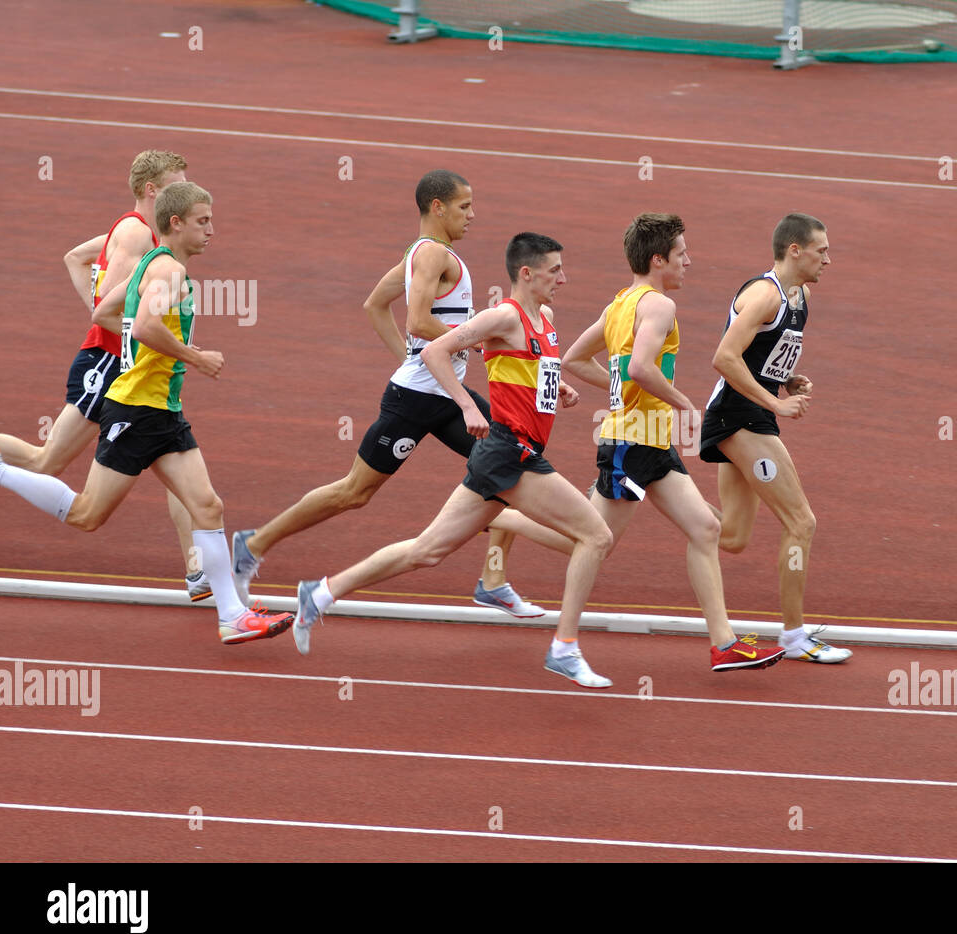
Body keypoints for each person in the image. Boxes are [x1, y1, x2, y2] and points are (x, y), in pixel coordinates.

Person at [230, 170, 566, 615]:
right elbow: (417, 321)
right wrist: (479, 339)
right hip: (416, 402)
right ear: (437, 208)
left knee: (511, 462)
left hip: (442, 396)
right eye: (464, 207)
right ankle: (252, 544)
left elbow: (375, 305)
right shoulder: (431, 255)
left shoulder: (419, 255)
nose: (472, 215)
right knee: (355, 492)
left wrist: (412, 359)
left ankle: (493, 579)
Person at [292, 233, 616, 689]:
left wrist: (554, 387)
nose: (563, 278)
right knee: (597, 536)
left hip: (506, 456)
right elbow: (432, 350)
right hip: (510, 452)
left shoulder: (544, 317)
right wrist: (465, 405)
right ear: (527, 273)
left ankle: (320, 593)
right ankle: (564, 647)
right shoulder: (503, 315)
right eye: (555, 270)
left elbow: (525, 365)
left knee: (427, 551)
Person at [0, 182, 294, 644]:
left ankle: (232, 616)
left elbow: (106, 312)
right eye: (203, 221)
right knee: (86, 515)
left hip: (163, 410)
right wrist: (192, 356)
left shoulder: (154, 267)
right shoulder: (170, 271)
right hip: (135, 410)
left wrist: (156, 348)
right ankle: (0, 472)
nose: (212, 230)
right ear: (175, 223)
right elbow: (148, 323)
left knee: (208, 506)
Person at [562, 213, 784, 672]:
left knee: (705, 529)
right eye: (682, 254)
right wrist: (683, 401)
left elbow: (575, 359)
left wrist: (621, 393)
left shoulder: (620, 303)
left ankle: (723, 644)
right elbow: (642, 367)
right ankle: (512, 523)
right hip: (632, 444)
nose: (689, 261)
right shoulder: (659, 306)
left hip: (649, 443)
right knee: (592, 541)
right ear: (658, 259)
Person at [0, 150, 207, 601]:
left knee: (177, 459)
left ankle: (197, 566)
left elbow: (75, 257)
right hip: (110, 365)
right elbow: (110, 304)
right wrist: (133, 336)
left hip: (137, 370)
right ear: (153, 190)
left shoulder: (144, 231)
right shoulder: (135, 234)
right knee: (45, 462)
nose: (185, 191)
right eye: (177, 183)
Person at [698, 212, 851, 663]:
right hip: (738, 417)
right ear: (795, 250)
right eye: (822, 251)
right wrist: (776, 404)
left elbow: (758, 357)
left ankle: (654, 488)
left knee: (731, 536)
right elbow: (724, 357)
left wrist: (785, 381)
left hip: (750, 412)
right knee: (801, 522)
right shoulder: (765, 295)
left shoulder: (800, 296)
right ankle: (795, 636)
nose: (830, 260)